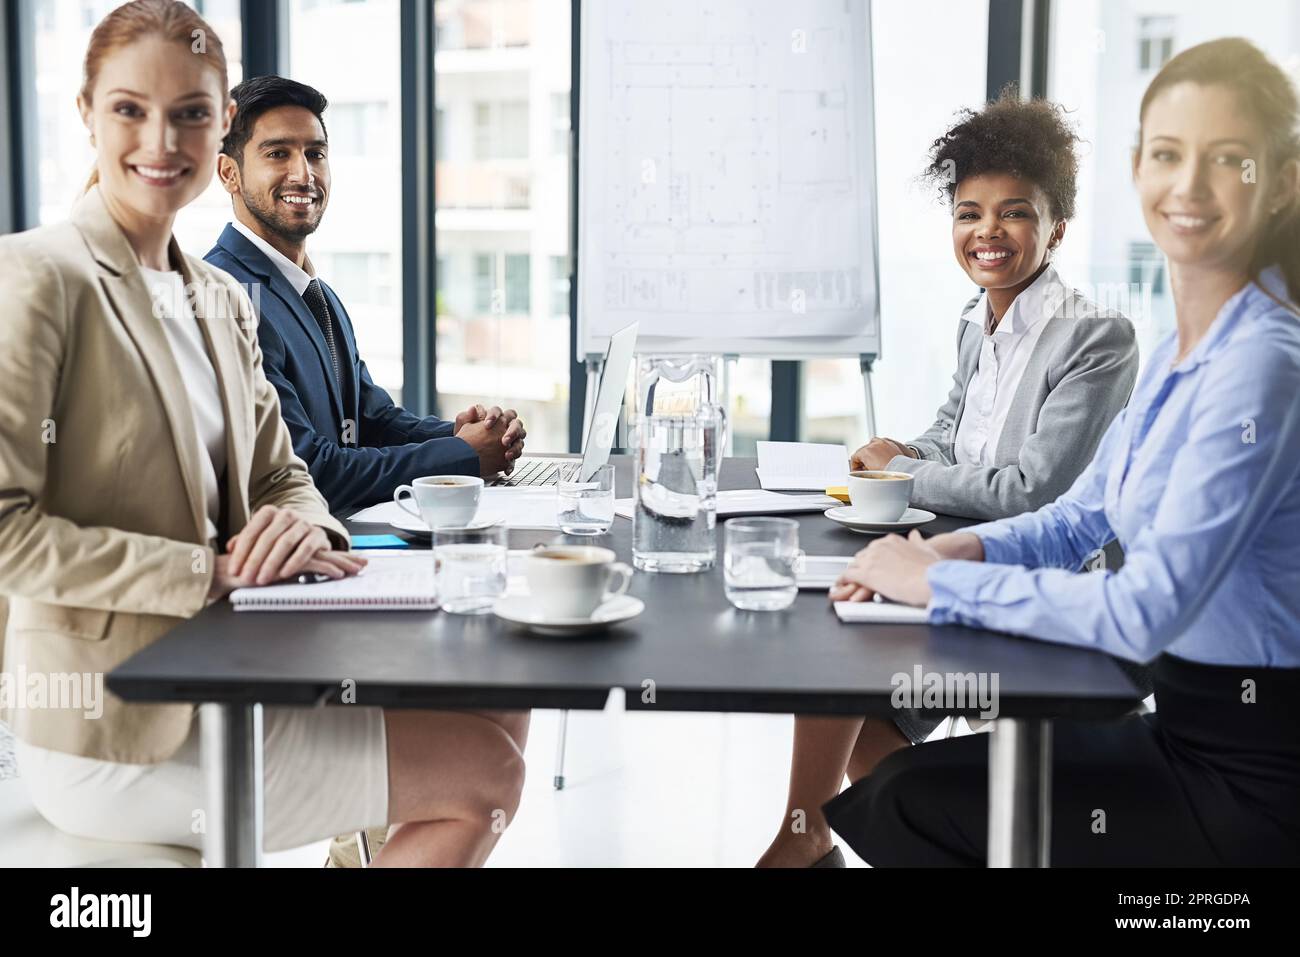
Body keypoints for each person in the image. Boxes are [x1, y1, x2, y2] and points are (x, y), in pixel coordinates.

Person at [0, 0, 526, 867]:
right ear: (88, 114)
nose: (162, 141)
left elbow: (288, 474)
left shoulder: (217, 298)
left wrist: (303, 525)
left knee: (499, 709)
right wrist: (201, 572)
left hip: (235, 667)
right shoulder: (40, 279)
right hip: (114, 720)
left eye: (192, 114)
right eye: (131, 109)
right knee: (484, 773)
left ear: (216, 138)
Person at [822, 37, 1300, 866]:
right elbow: (1074, 517)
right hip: (1186, 733)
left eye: (1227, 159)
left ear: (1283, 182)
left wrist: (938, 580)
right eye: (1166, 154)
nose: (1188, 184)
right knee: (899, 788)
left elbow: (1143, 609)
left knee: (909, 800)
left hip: (1251, 776)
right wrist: (939, 547)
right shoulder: (1193, 349)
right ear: (1139, 171)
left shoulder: (1261, 364)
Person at [759, 93, 1139, 867]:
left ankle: (808, 846)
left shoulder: (1096, 337)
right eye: (969, 213)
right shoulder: (978, 319)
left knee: (849, 670)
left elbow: (1032, 488)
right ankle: (807, 838)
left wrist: (908, 471)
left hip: (1033, 587)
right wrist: (897, 448)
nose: (987, 232)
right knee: (854, 709)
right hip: (951, 550)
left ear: (1057, 227)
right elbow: (954, 432)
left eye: (1014, 212)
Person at [205, 76, 527, 513]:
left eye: (315, 154)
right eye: (278, 153)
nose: (304, 174)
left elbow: (371, 421)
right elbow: (309, 471)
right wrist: (463, 457)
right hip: (283, 564)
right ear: (229, 173)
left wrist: (463, 434)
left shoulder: (318, 295)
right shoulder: (223, 296)